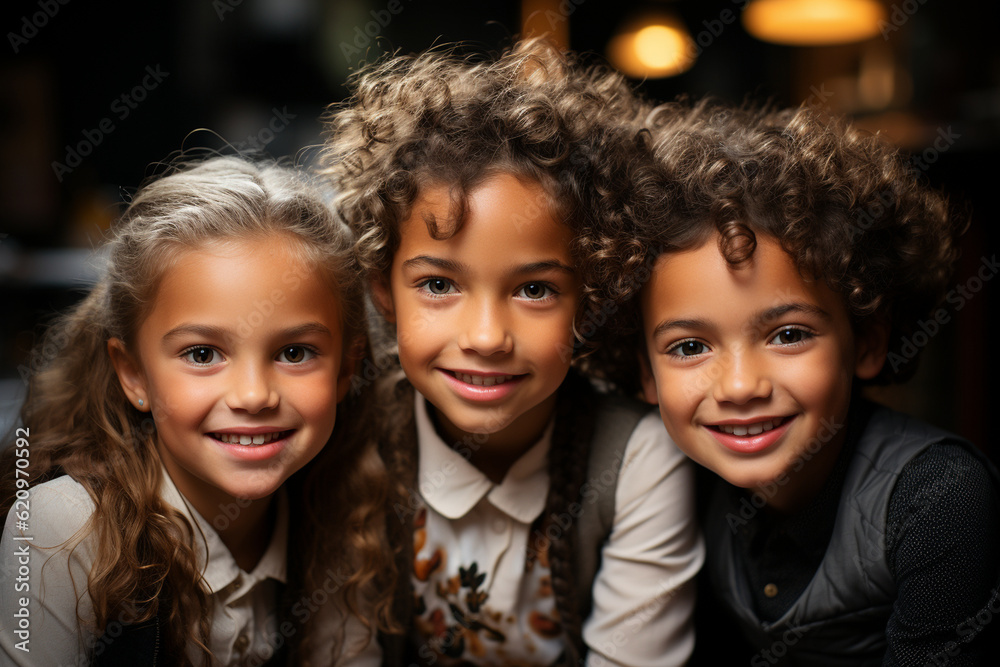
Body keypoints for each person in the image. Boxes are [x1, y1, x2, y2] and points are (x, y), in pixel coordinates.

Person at [320, 40, 704, 666]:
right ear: (382, 291)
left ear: (591, 295)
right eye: (438, 285)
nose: (486, 337)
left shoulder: (639, 460)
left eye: (534, 290)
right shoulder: (350, 436)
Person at [625, 100, 1000, 664]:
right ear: (645, 374)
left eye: (788, 335)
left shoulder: (938, 498)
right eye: (690, 347)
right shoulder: (675, 484)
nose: (739, 386)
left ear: (866, 342)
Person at [0, 156, 393, 666]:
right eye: (203, 354)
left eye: (295, 353)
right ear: (134, 375)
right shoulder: (59, 531)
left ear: (346, 369)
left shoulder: (344, 518)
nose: (253, 396)